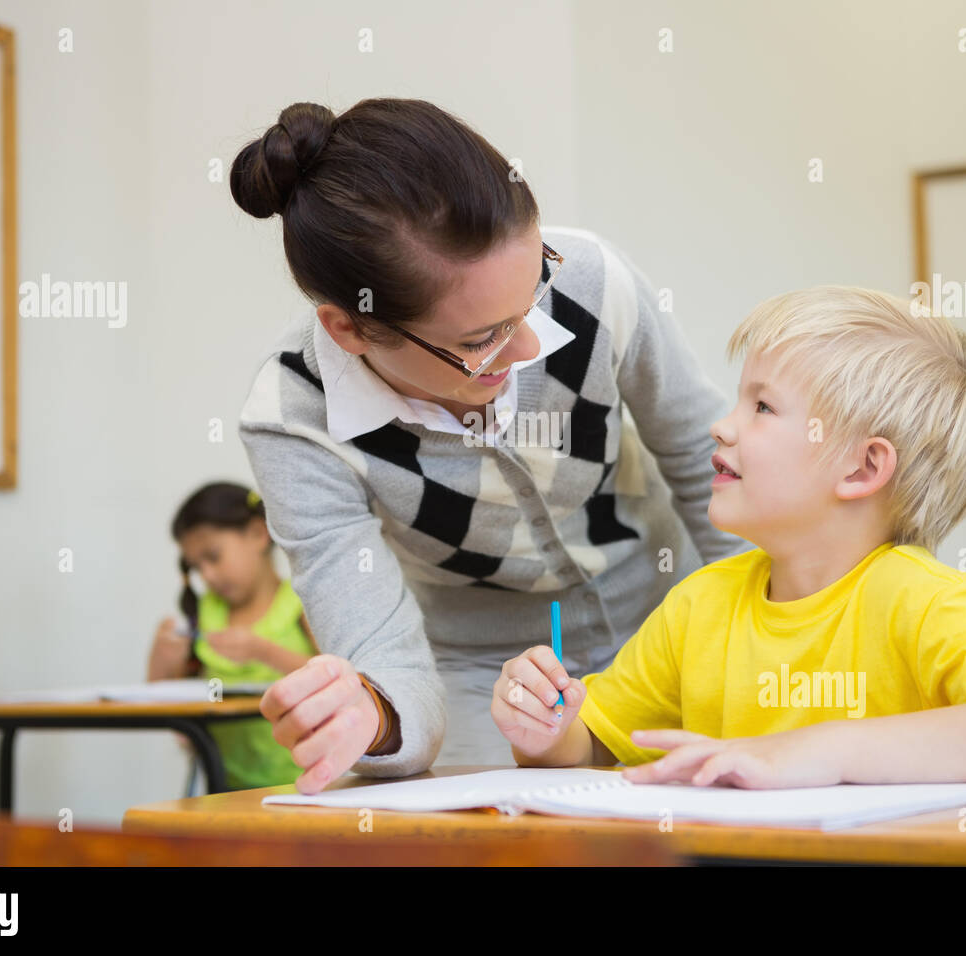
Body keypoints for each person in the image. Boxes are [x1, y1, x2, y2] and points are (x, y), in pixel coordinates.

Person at [228, 98, 750, 793]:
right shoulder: (294, 416)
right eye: (482, 340)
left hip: (672, 627)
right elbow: (388, 667)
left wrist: (772, 634)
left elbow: (703, 463)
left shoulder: (592, 282)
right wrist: (372, 715)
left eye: (534, 290)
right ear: (350, 330)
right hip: (484, 677)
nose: (531, 345)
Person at [490, 286, 966, 787]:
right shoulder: (700, 605)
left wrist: (820, 751)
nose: (720, 427)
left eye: (762, 407)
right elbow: (591, 748)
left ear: (862, 468)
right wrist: (546, 731)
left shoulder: (922, 600)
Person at [147, 481, 318, 789]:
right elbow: (162, 706)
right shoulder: (201, 615)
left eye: (213, 557)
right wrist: (161, 660)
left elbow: (336, 679)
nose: (208, 576)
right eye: (197, 567)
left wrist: (264, 651)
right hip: (221, 786)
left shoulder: (300, 603)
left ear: (257, 533)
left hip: (301, 785)